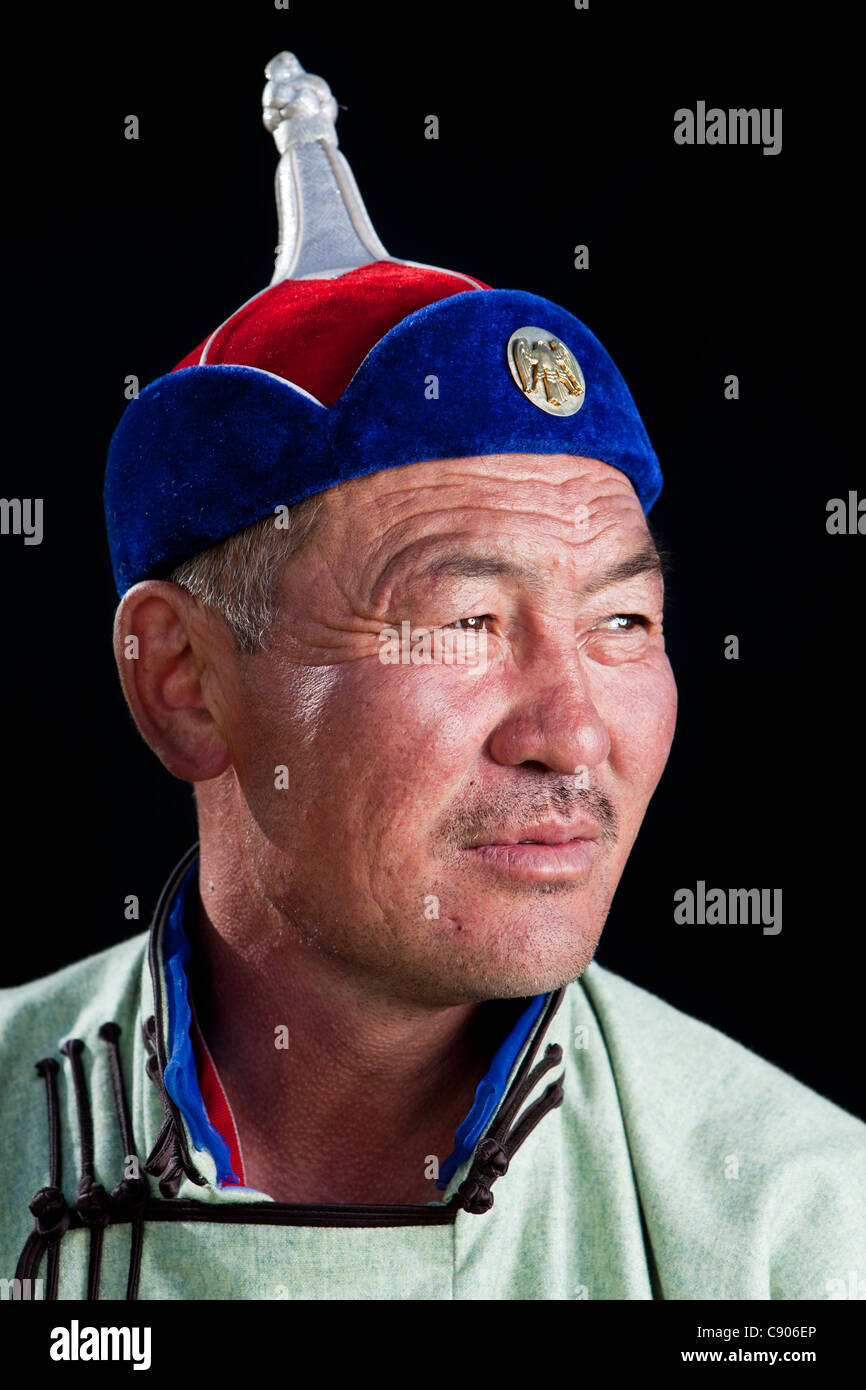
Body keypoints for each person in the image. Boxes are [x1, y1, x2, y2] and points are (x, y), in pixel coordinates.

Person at [2, 51, 863, 1303]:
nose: (571, 733)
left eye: (621, 619)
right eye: (463, 621)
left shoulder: (795, 1225)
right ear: (184, 680)